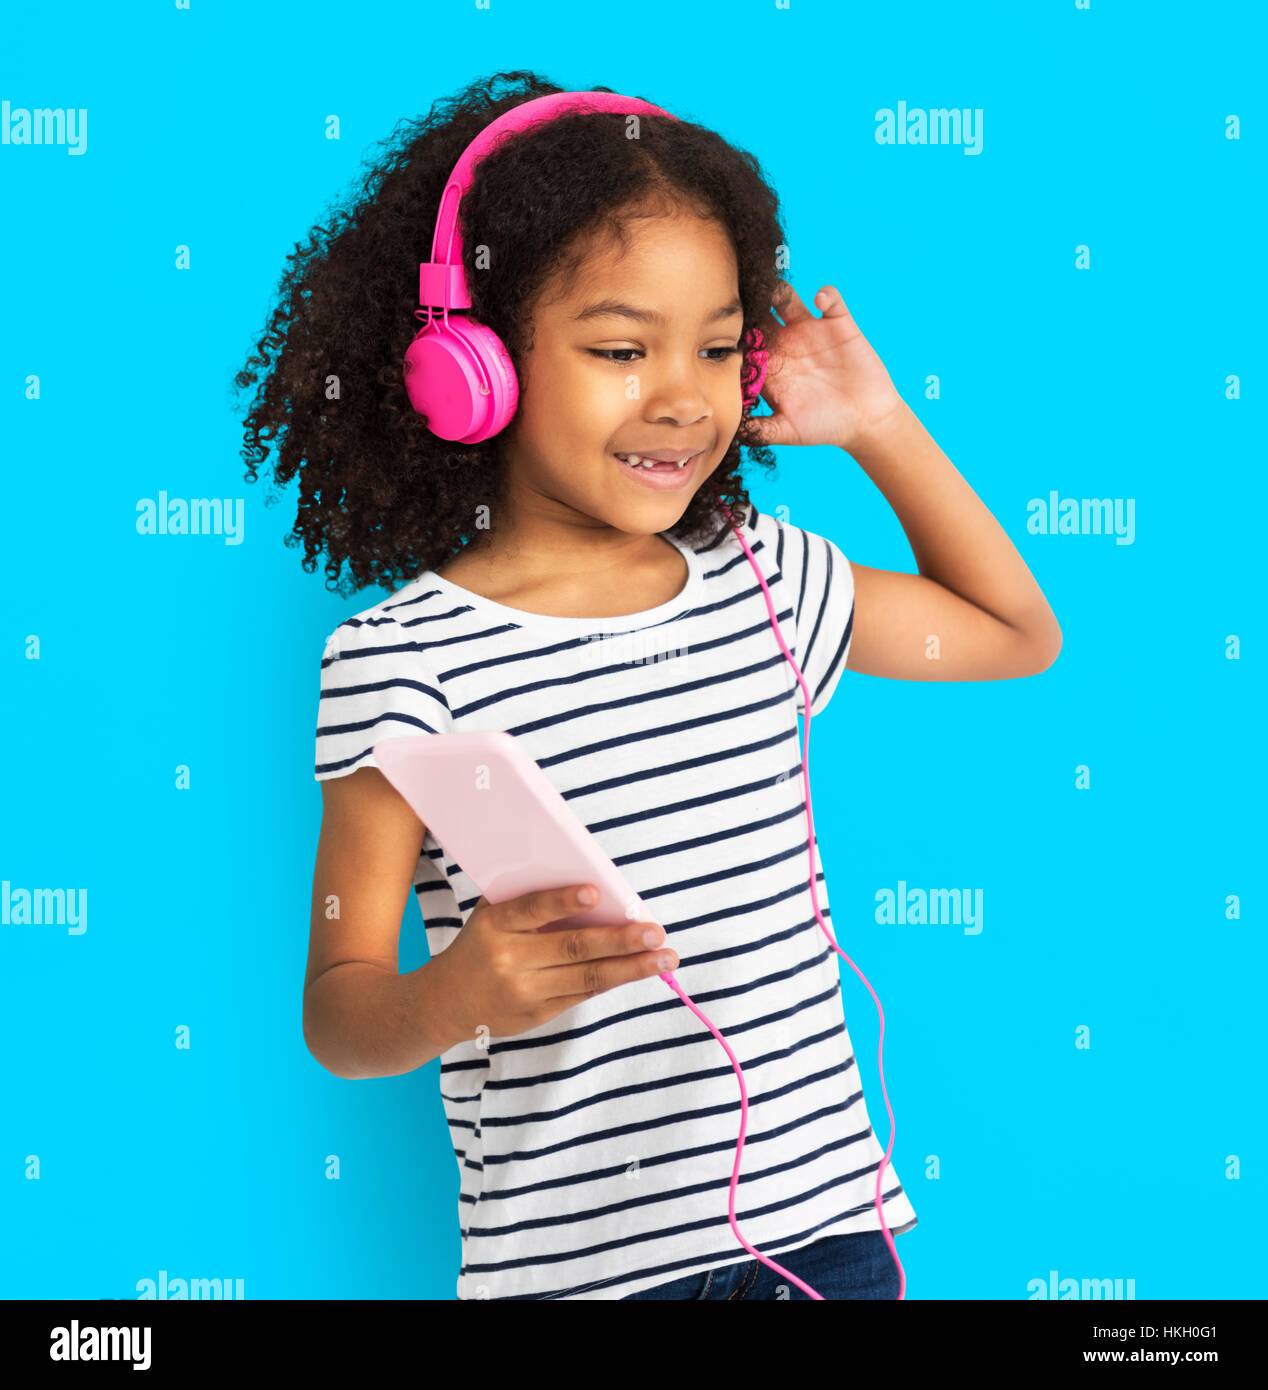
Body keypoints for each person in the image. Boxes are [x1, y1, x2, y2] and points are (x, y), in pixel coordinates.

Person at [234, 70, 1061, 1301]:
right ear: (474, 363)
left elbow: (1010, 631)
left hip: (820, 1239)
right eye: (620, 348)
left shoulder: (760, 579)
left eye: (722, 347)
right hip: (576, 1278)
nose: (684, 396)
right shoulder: (398, 660)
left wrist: (879, 424)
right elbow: (339, 1006)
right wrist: (454, 995)